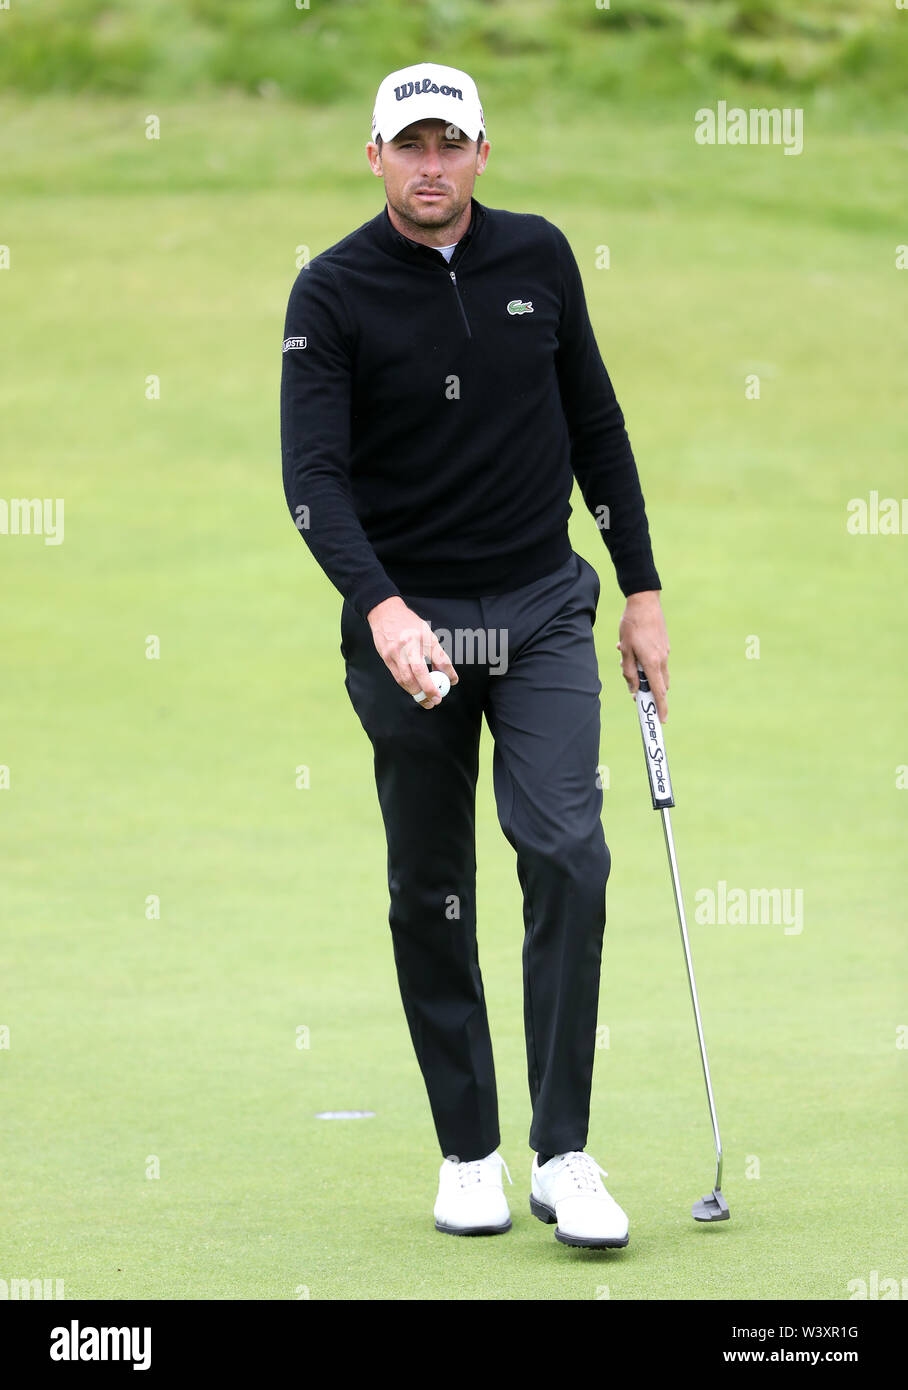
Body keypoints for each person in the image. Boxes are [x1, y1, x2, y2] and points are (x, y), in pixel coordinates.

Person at [280, 63, 670, 1248]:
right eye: (410, 146)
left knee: (567, 851)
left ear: (482, 155)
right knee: (429, 885)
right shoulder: (332, 291)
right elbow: (313, 482)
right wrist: (385, 609)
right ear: (375, 157)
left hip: (542, 603)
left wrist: (641, 591)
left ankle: (563, 1154)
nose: (431, 165)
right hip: (411, 625)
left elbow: (595, 423)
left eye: (451, 144)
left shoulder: (538, 257)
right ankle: (468, 1151)